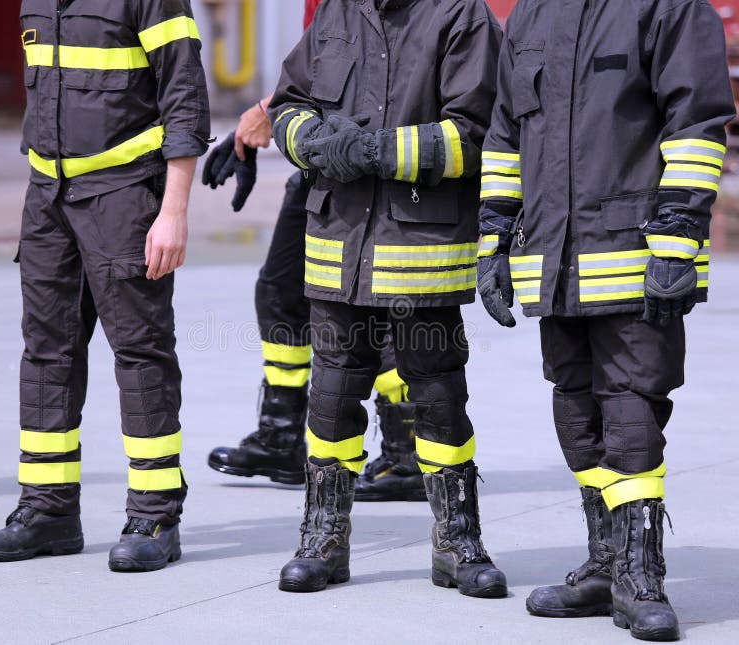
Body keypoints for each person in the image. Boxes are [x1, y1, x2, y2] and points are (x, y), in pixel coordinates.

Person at [477, 0, 734, 638]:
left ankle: (641, 577)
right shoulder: (532, 17)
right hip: (554, 260)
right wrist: (494, 239)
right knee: (575, 409)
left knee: (631, 410)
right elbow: (506, 138)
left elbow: (697, 125)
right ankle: (606, 562)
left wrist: (678, 238)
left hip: (637, 255)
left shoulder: (669, 8)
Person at [268, 0, 505, 595]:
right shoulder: (335, 15)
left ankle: (458, 541)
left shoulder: (460, 16)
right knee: (330, 397)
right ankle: (323, 540)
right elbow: (288, 107)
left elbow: (476, 133)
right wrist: (317, 141)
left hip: (421, 253)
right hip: (338, 249)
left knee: (439, 397)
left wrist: (374, 152)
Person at [0, 0, 209, 573]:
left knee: (140, 352)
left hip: (123, 195)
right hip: (48, 198)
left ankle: (155, 515)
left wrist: (173, 211)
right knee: (46, 353)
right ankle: (48, 511)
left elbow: (184, 98)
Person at [201, 0, 424, 502]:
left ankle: (406, 453)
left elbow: (362, 62)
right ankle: (282, 434)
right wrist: (269, 115)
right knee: (282, 292)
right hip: (327, 153)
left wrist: (263, 114)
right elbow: (315, 64)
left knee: (376, 308)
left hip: (363, 156)